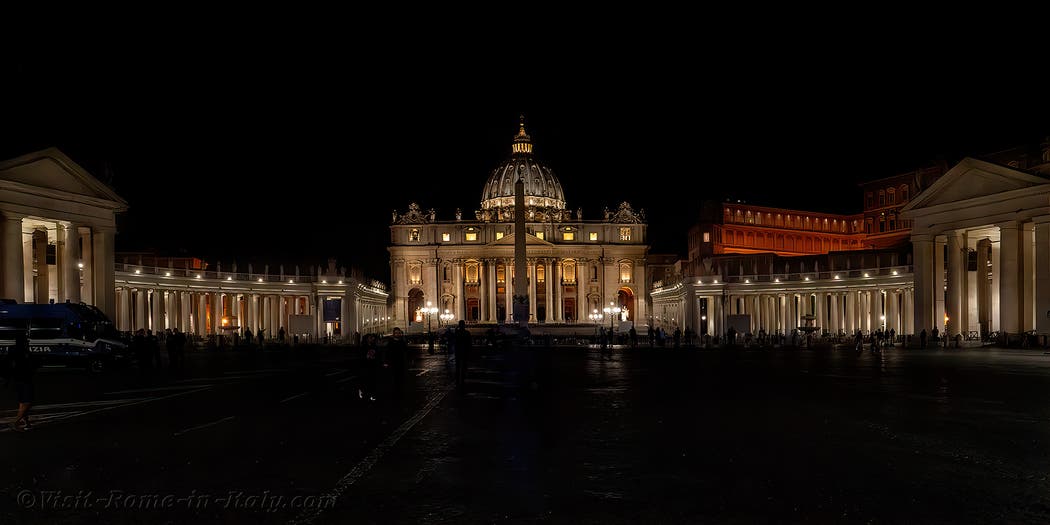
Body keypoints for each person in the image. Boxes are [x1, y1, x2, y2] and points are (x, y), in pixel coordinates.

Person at [8, 331, 38, 432]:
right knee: (27, 402)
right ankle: (15, 422)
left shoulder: (13, 350)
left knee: (23, 402)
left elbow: (8, 364)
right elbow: (30, 365)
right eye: (26, 340)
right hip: (25, 379)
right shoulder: (24, 352)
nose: (28, 341)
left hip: (18, 380)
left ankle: (27, 422)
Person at [385, 327, 409, 398]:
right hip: (393, 362)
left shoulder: (402, 341)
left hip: (401, 362)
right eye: (396, 333)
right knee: (394, 377)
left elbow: (406, 351)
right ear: (394, 334)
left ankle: (400, 390)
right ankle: (395, 390)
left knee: (401, 376)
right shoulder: (390, 342)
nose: (397, 334)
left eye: (399, 333)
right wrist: (386, 361)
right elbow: (387, 352)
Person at [359, 333, 380, 402]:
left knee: (372, 381)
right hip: (366, 367)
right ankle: (365, 394)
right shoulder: (363, 347)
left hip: (372, 366)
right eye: (370, 338)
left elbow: (377, 356)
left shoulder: (375, 346)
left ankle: (370, 395)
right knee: (366, 381)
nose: (372, 339)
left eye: (372, 338)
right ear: (367, 339)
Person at [453, 320, 472, 390]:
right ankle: (462, 379)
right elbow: (470, 343)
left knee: (458, 366)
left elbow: (454, 342)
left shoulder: (457, 333)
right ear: (464, 325)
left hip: (458, 352)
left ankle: (458, 380)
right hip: (464, 352)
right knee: (463, 366)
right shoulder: (467, 333)